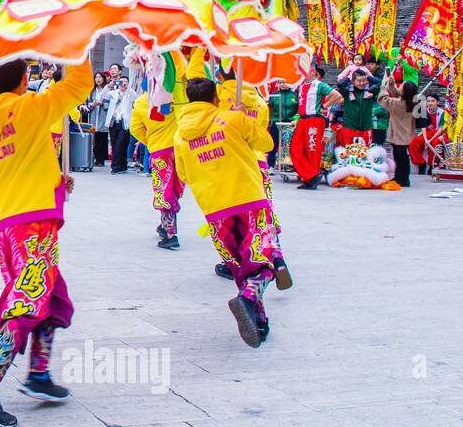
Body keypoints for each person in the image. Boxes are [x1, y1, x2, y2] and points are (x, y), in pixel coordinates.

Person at [0, 58, 93, 427]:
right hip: (31, 224)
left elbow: (11, 171)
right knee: (29, 298)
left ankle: (38, 373)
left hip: (7, 223)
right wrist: (76, 49)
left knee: (51, 297)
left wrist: (53, 183)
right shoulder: (31, 107)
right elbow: (78, 86)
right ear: (23, 80)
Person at [174, 72, 290, 348]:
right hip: (249, 199)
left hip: (214, 207)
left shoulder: (180, 134)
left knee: (239, 264)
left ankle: (259, 321)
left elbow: (183, 174)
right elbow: (267, 143)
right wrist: (243, 120)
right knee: (263, 259)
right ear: (215, 98)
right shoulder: (233, 118)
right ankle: (250, 298)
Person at [129, 89, 183, 250]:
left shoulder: (141, 102)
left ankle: (170, 233)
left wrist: (151, 141)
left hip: (161, 151)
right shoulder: (177, 95)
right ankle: (164, 223)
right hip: (180, 149)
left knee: (164, 191)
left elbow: (135, 129)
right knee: (174, 189)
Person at [289, 65, 340, 189]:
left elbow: (337, 95)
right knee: (295, 149)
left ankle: (311, 179)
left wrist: (325, 106)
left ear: (312, 72)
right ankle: (311, 175)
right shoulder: (300, 85)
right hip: (303, 120)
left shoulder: (319, 85)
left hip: (314, 120)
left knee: (313, 150)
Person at [379, 70, 418, 188]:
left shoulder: (399, 104)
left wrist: (384, 84)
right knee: (401, 157)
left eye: (402, 86)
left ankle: (403, 180)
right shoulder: (412, 102)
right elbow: (397, 94)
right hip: (405, 133)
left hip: (399, 134)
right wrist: (391, 84)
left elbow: (383, 100)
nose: (399, 86)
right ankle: (400, 177)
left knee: (400, 158)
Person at [336, 67, 376, 149]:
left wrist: (367, 76)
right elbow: (340, 84)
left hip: (365, 128)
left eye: (364, 80)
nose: (362, 83)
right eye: (359, 81)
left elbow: (379, 83)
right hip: (349, 128)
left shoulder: (370, 91)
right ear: (353, 82)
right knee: (349, 154)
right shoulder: (347, 92)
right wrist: (349, 77)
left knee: (365, 155)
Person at [83, 71, 111, 166]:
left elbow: (111, 104)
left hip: (103, 116)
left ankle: (101, 159)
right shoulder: (91, 91)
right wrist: (93, 104)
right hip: (94, 116)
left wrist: (102, 104)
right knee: (94, 138)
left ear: (103, 79)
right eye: (96, 78)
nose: (98, 79)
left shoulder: (107, 90)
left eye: (100, 77)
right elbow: (87, 104)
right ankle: (95, 158)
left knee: (102, 137)